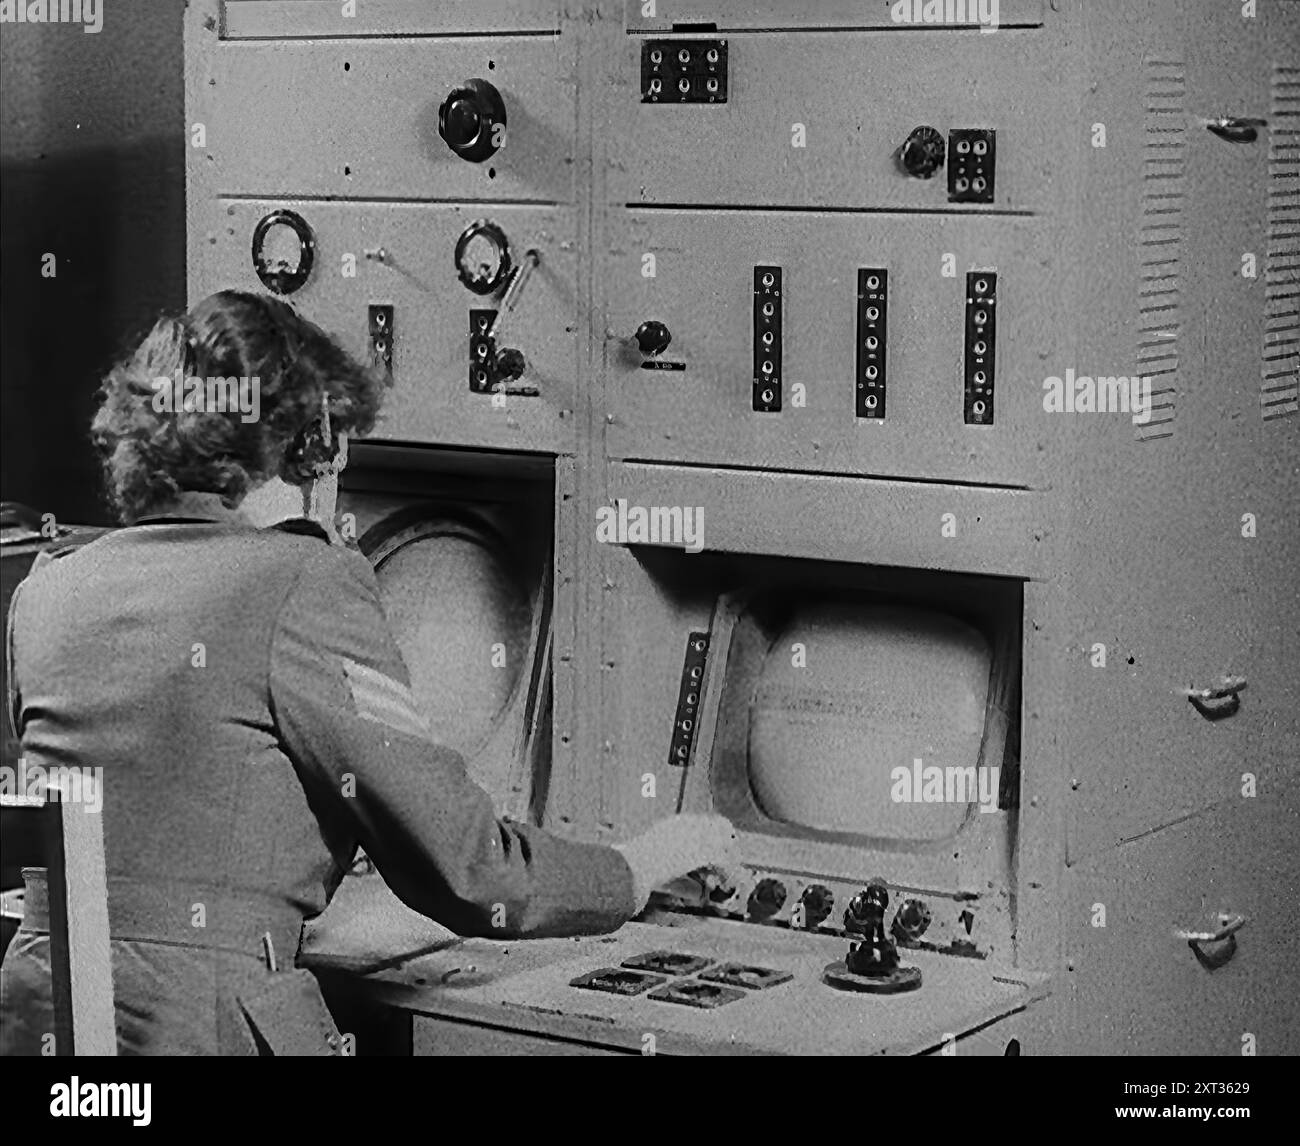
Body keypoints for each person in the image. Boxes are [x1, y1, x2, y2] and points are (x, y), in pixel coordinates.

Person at [0, 290, 736, 1055]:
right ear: (307, 448)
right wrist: (642, 867)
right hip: (200, 1026)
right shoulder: (301, 580)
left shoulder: (48, 590)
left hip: (41, 1018)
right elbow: (472, 872)